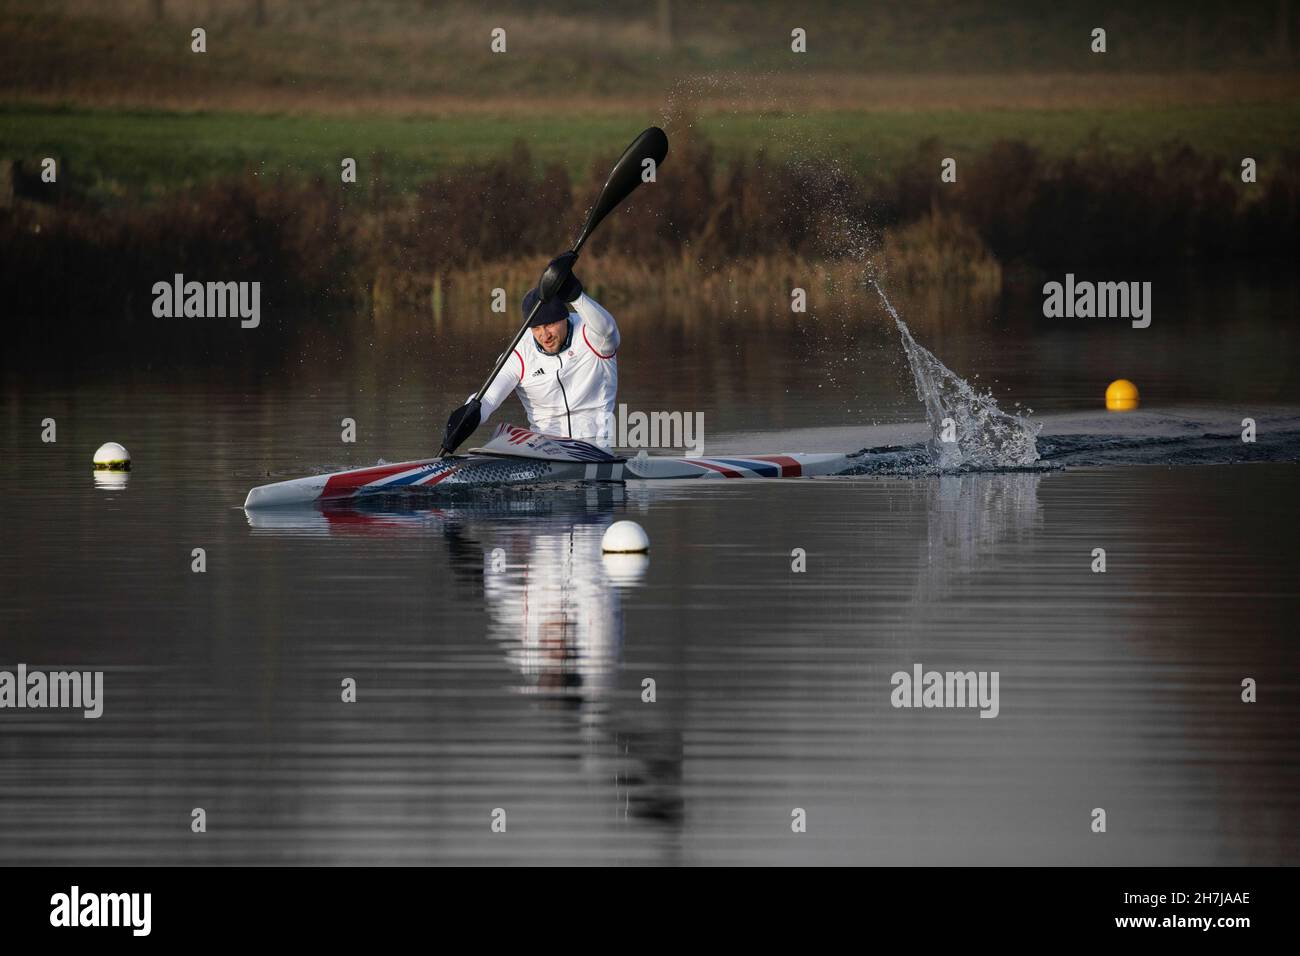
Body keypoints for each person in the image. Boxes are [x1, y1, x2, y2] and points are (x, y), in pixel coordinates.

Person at [440, 252, 620, 452]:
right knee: (504, 434)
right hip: (544, 451)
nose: (544, 335)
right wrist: (466, 417)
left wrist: (575, 296)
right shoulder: (519, 352)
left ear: (565, 317)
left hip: (594, 448)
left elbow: (609, 331)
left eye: (550, 324)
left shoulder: (592, 335)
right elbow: (489, 398)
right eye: (536, 328)